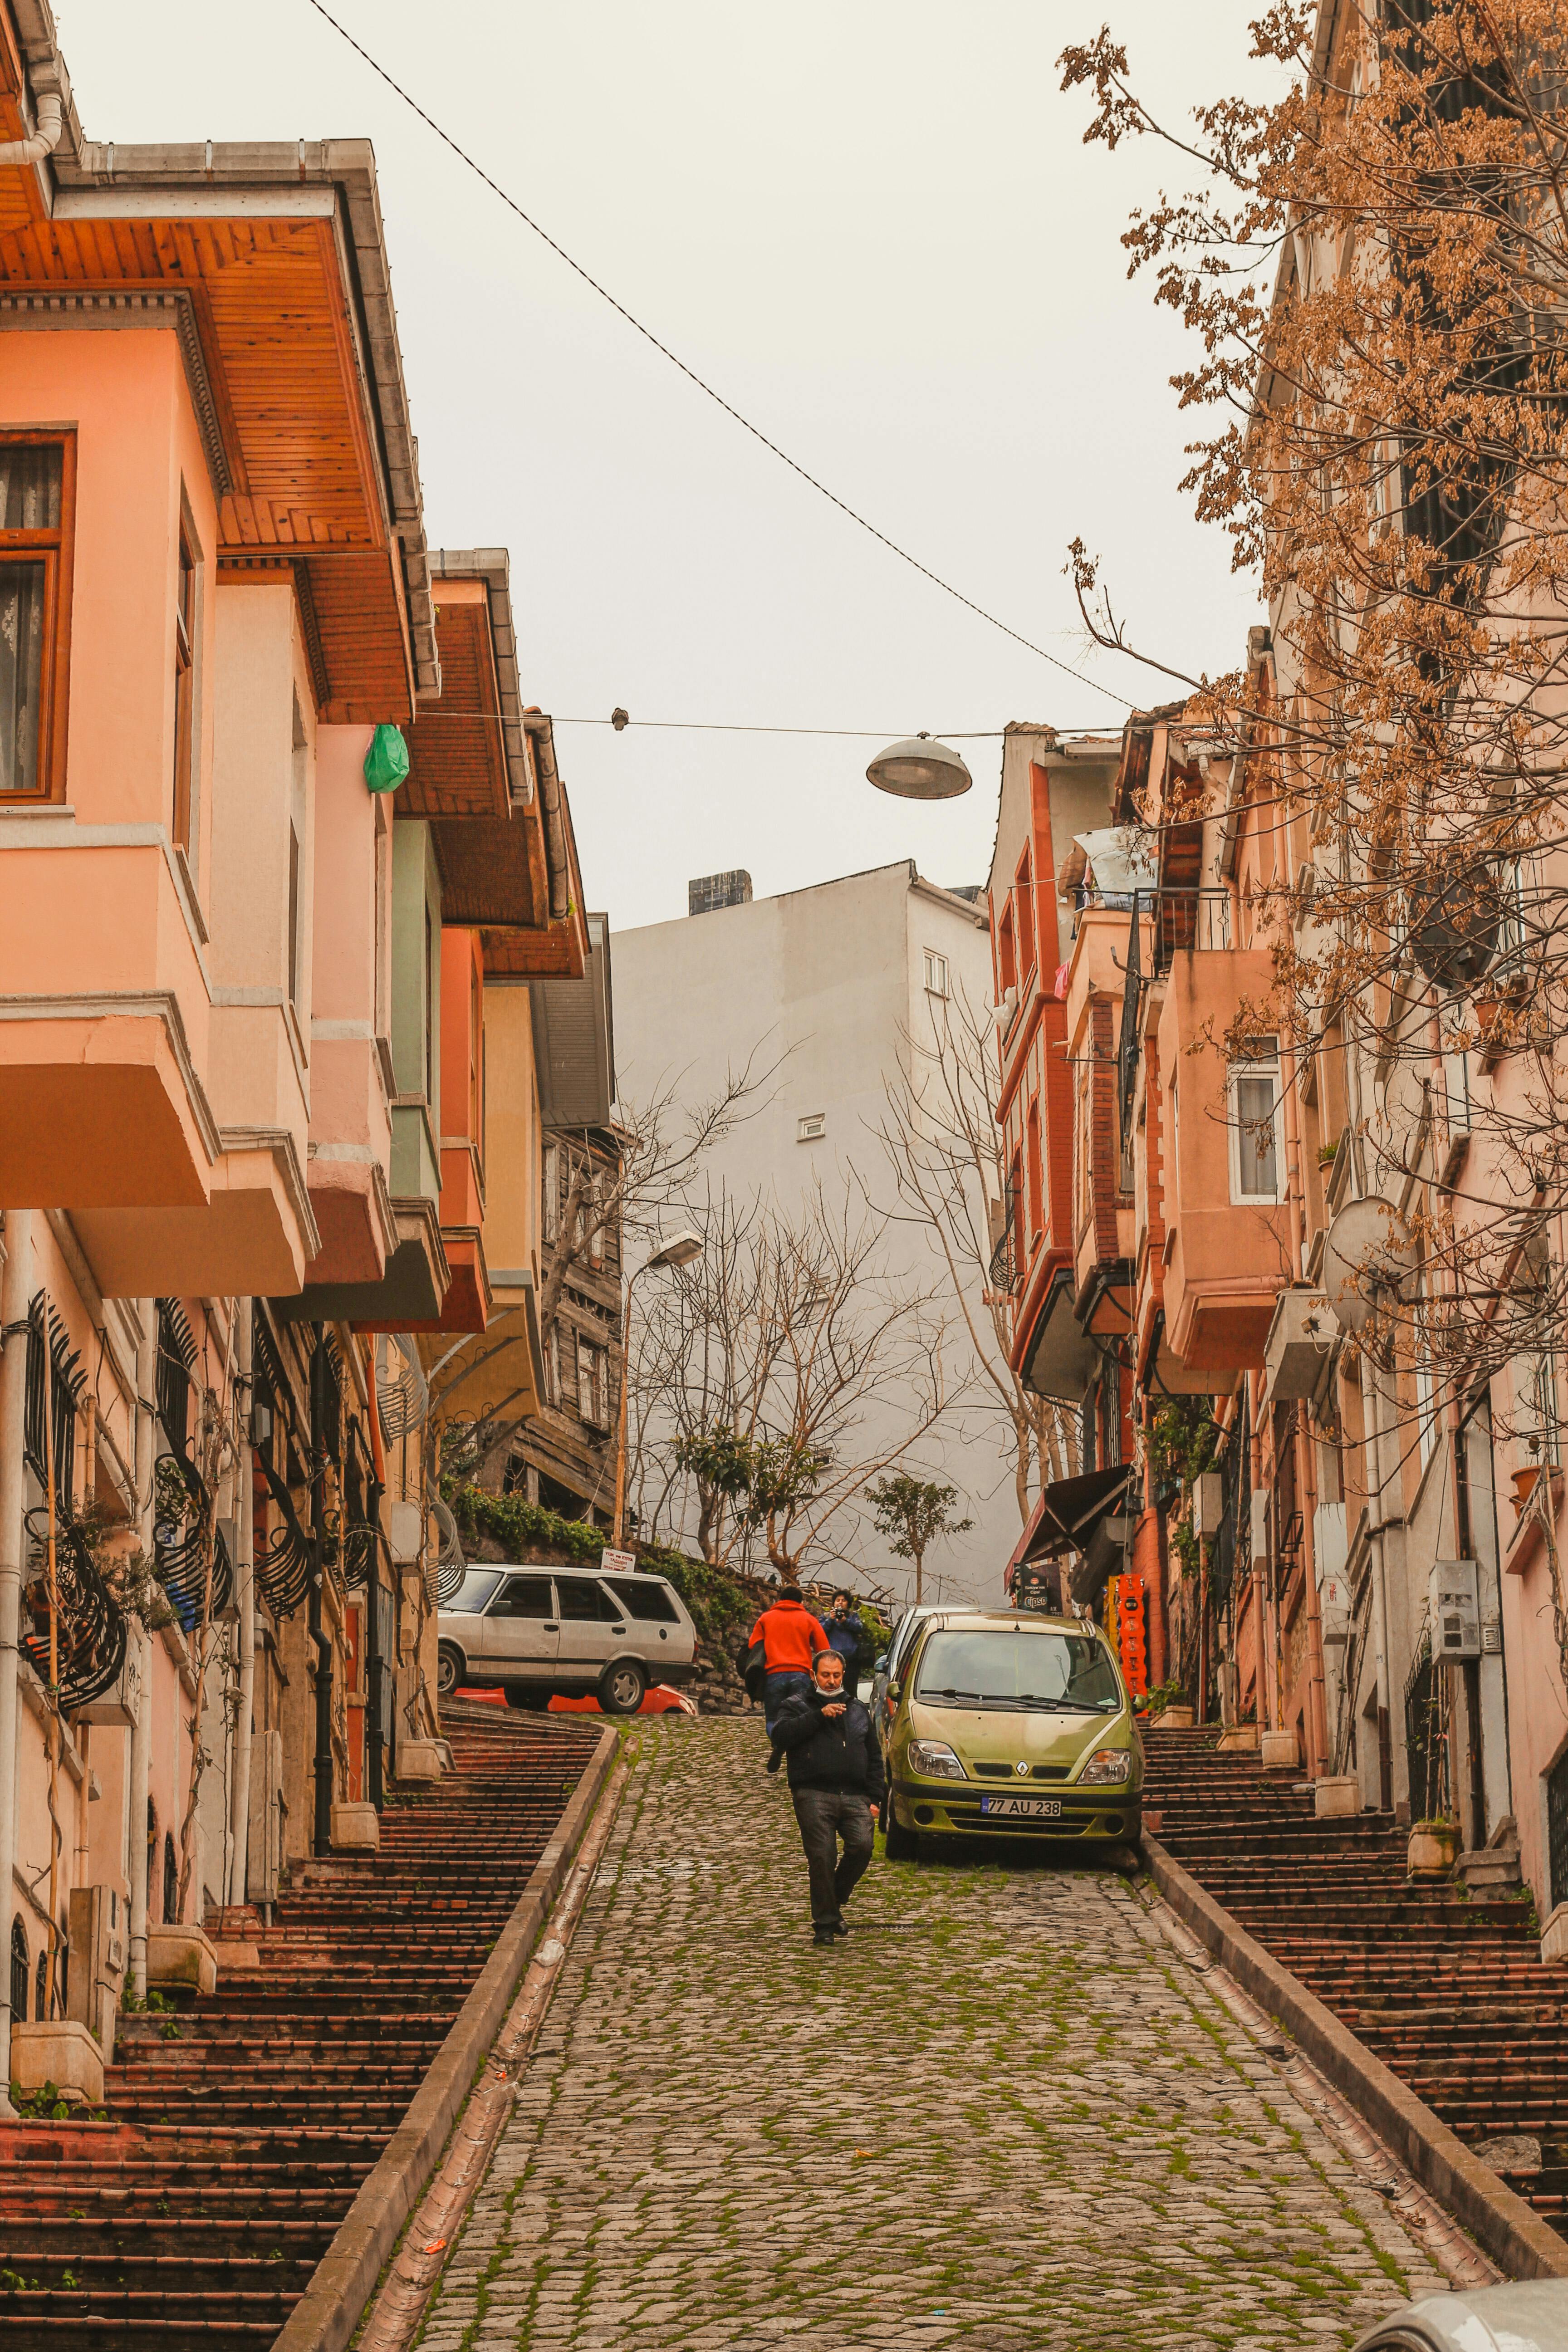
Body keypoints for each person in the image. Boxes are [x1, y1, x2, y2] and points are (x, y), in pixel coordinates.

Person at [772, 1647, 885, 1947]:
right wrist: (819, 1716)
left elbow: (875, 1756)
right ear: (813, 1675)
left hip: (855, 1795)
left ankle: (832, 1901)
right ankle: (824, 1925)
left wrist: (875, 1797)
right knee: (822, 1856)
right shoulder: (796, 1706)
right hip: (813, 1792)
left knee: (862, 1847)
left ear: (843, 1675)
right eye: (826, 1675)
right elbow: (781, 1736)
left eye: (836, 1675)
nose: (832, 1681)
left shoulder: (858, 1709)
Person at [747, 1586, 829, 1771]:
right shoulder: (809, 1619)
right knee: (800, 1718)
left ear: (780, 1600)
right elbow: (824, 1649)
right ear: (801, 1602)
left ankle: (778, 1744)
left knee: (773, 1719)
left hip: (774, 1675)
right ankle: (794, 1754)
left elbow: (753, 1644)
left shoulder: (766, 1619)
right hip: (801, 1674)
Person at [820, 1591, 868, 1700]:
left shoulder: (853, 1616)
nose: (840, 1603)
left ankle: (852, 1713)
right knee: (831, 1690)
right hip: (833, 1660)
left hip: (851, 1659)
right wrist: (830, 1621)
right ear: (833, 1603)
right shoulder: (827, 1616)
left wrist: (845, 1621)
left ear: (848, 1603)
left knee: (851, 1691)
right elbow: (820, 1631)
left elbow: (859, 1628)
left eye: (844, 1601)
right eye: (838, 1601)